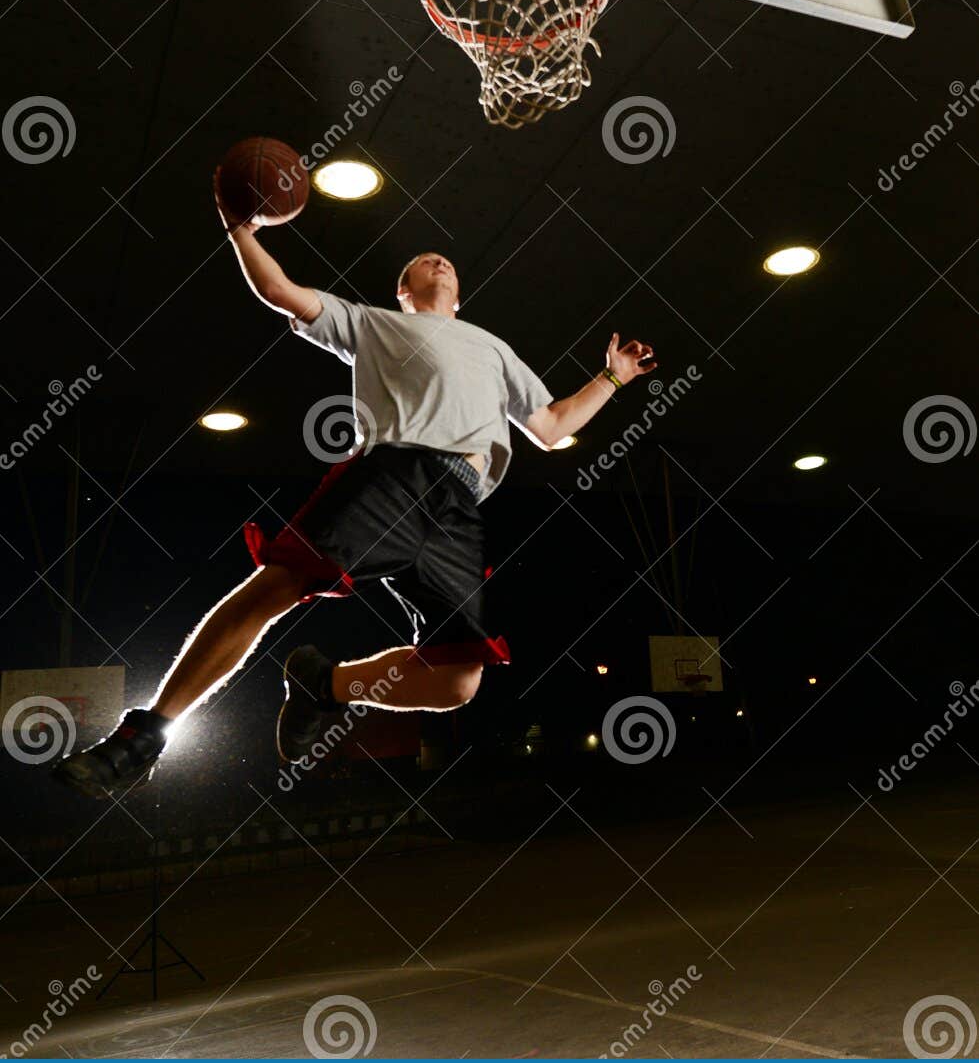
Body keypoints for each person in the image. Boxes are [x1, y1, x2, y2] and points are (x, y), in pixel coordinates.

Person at [55, 185, 655, 798]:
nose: (438, 261)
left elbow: (552, 428)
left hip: (461, 506)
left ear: (461, 293)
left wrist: (613, 377)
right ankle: (145, 735)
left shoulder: (493, 347)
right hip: (395, 476)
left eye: (446, 261)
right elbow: (280, 291)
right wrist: (243, 233)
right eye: (422, 262)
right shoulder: (373, 322)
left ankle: (327, 686)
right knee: (276, 587)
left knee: (457, 684)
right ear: (404, 290)